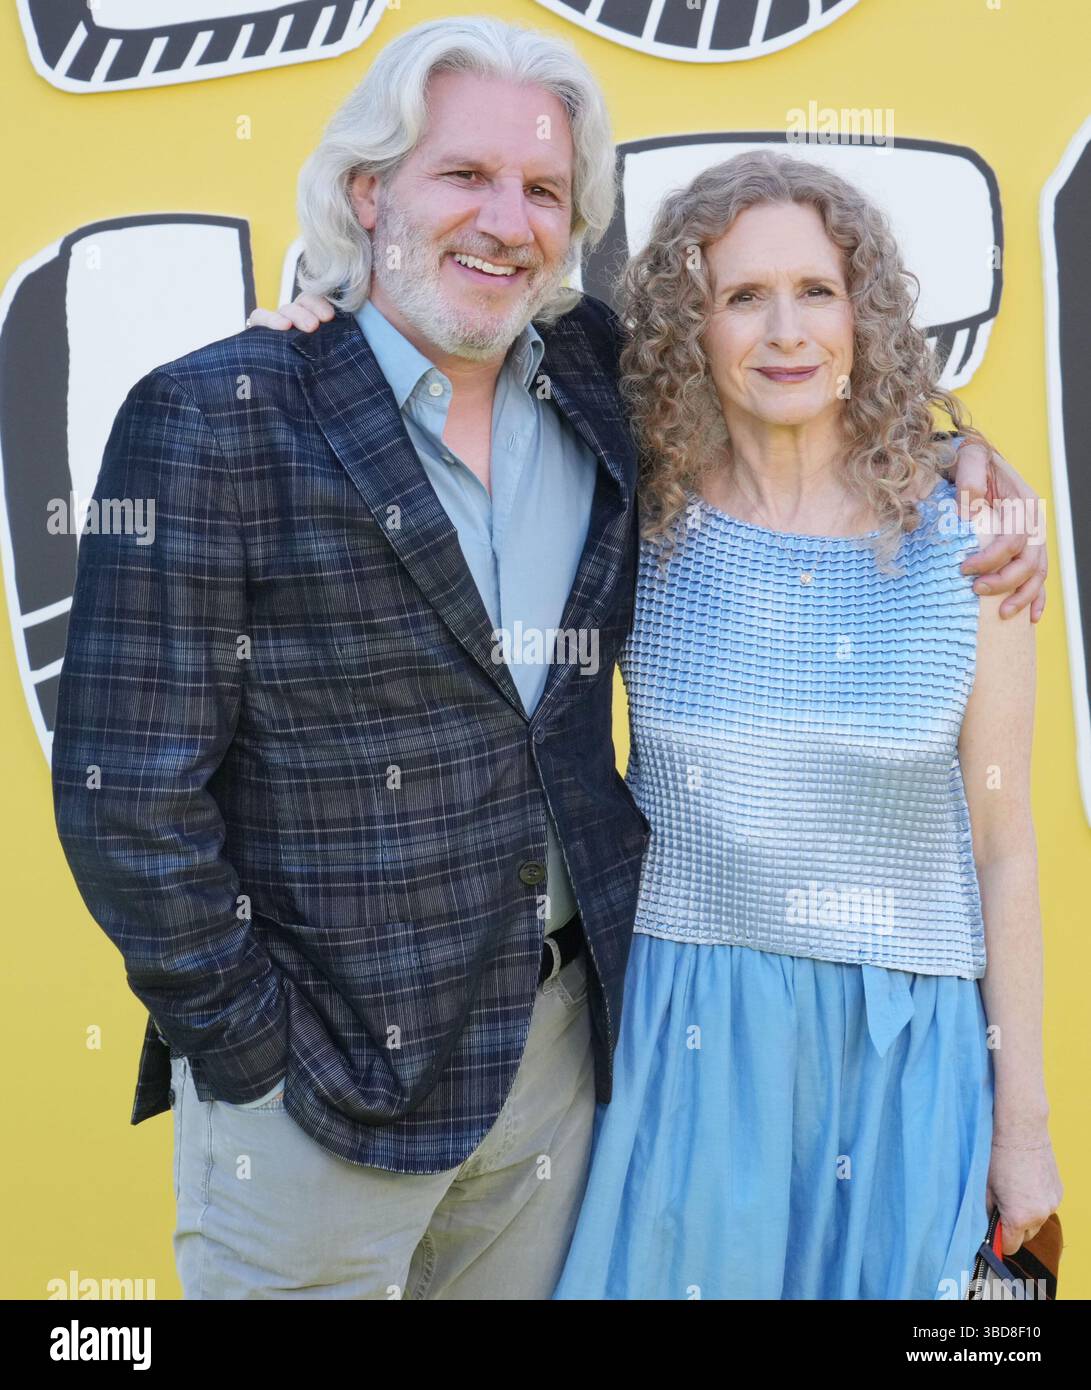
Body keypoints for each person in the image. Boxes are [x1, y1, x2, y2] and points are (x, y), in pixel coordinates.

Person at [55, 15, 1045, 1302]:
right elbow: (126, 799)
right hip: (343, 1092)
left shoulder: (589, 388)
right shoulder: (225, 414)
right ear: (369, 194)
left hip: (578, 1071)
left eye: (539, 188)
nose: (503, 218)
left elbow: (793, 397)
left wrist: (968, 451)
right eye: (462, 175)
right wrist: (250, 1052)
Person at [549, 153, 1061, 1298]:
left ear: (860, 313)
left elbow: (1003, 847)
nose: (785, 332)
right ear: (692, 326)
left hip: (902, 1053)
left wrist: (1020, 1125)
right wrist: (317, 315)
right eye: (741, 297)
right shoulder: (636, 519)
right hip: (685, 1045)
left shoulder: (970, 534)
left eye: (815, 291)